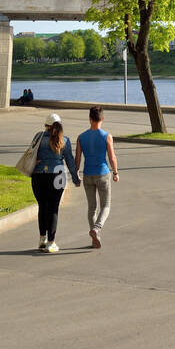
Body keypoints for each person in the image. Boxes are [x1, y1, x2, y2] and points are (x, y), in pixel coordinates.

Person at [30, 113, 80, 253]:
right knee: (53, 208)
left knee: (42, 206)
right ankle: (51, 243)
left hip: (38, 176)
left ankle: (42, 239)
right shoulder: (65, 140)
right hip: (57, 177)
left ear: (46, 125)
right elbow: (70, 161)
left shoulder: (38, 137)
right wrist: (76, 179)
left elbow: (30, 153)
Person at [75, 106, 120, 249]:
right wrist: (115, 172)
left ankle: (95, 239)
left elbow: (77, 159)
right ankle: (97, 229)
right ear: (102, 118)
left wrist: (76, 174)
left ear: (89, 119)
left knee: (91, 208)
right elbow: (112, 156)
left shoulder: (81, 137)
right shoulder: (107, 136)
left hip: (87, 174)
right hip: (102, 174)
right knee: (106, 206)